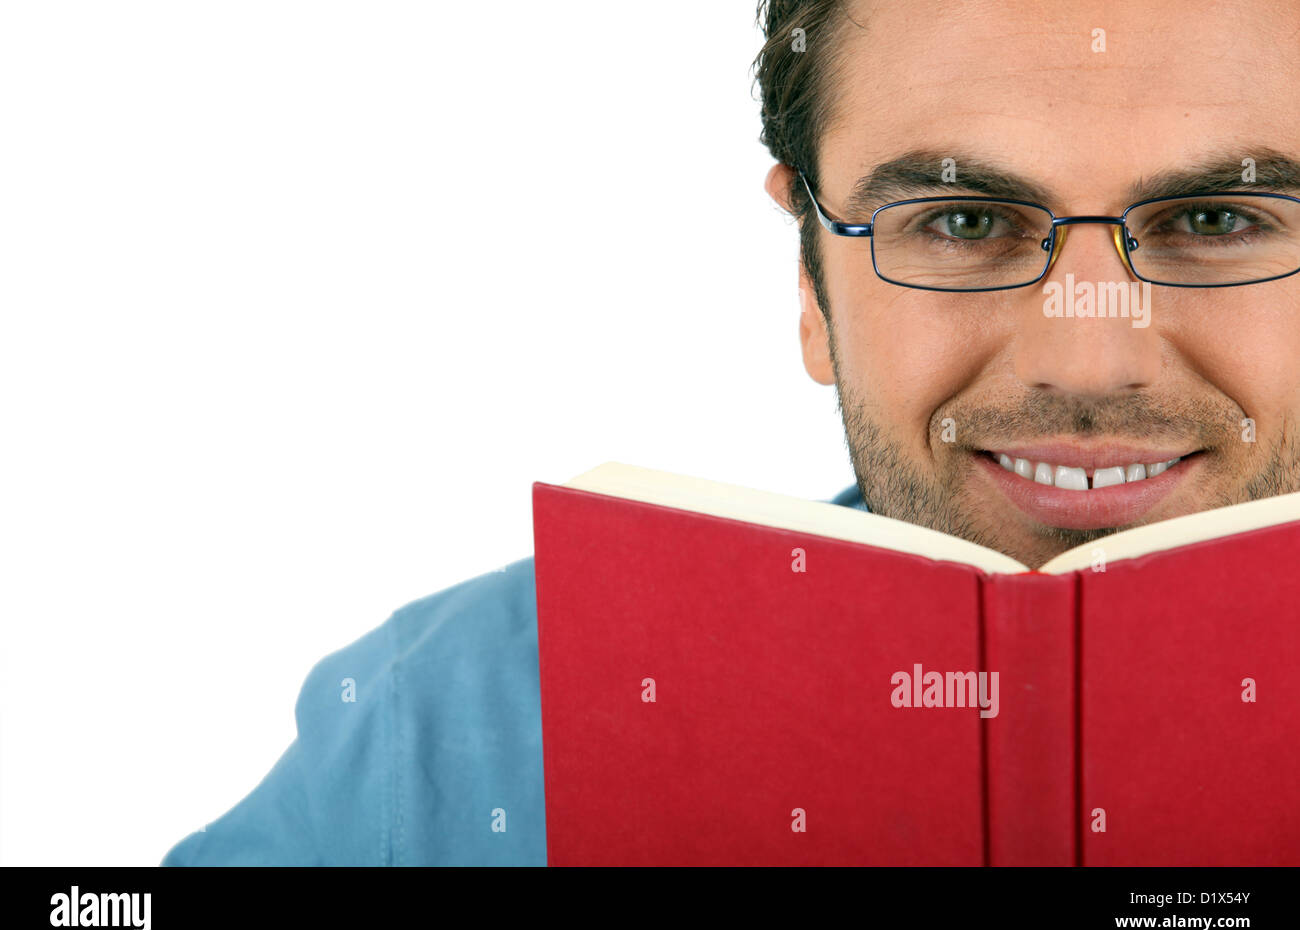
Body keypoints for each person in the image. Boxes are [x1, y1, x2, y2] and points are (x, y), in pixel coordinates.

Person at [162, 0, 1300, 864]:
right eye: (960, 221)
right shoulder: (438, 727)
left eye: (1217, 219)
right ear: (810, 284)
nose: (1086, 355)